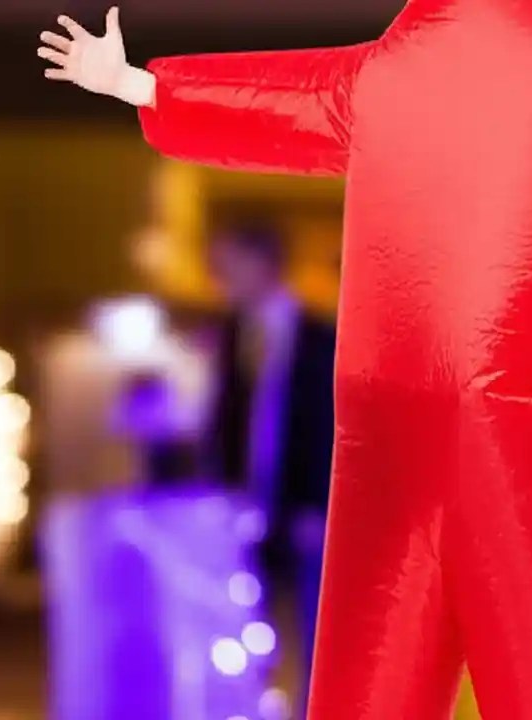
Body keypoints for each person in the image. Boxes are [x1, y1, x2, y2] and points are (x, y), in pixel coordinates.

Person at [37, 3, 532, 716]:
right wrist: (141, 86)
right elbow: (285, 97)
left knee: (445, 671)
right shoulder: (460, 69)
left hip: (476, 438)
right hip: (432, 437)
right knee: (511, 671)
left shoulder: (525, 71)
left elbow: (288, 98)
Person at [202, 226, 336, 701]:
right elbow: (225, 425)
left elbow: (329, 426)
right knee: (245, 632)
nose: (220, 278)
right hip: (244, 509)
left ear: (262, 264)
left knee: (314, 631)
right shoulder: (231, 335)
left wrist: (318, 504)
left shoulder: (319, 338)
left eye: (229, 265)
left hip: (302, 512)